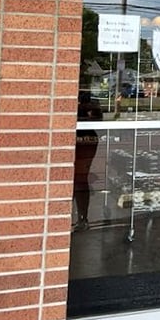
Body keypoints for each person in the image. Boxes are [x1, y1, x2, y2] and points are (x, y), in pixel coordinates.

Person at [73, 91, 102, 231]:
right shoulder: (91, 107)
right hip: (85, 140)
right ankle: (80, 218)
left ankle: (82, 218)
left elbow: (98, 120)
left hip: (85, 141)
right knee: (76, 180)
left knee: (79, 180)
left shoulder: (91, 108)